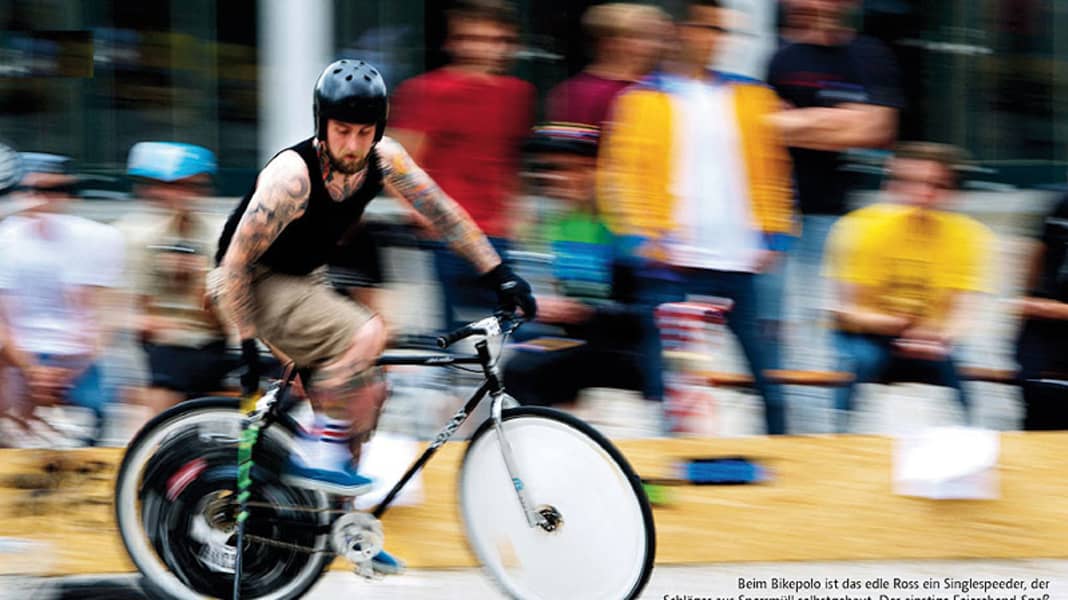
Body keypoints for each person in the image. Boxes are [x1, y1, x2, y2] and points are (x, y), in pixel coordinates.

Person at [212, 59, 536, 574]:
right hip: (253, 283)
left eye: (365, 133)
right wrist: (249, 348)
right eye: (342, 131)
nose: (352, 146)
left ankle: (343, 527)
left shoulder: (384, 160)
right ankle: (318, 451)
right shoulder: (291, 177)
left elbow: (444, 214)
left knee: (369, 391)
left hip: (304, 279)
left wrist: (500, 274)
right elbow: (232, 264)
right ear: (322, 126)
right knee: (368, 330)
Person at [598, 0, 794, 435]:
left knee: (770, 385)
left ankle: (790, 479)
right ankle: (673, 480)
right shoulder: (641, 99)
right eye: (708, 28)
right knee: (674, 387)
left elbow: (773, 167)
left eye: (722, 31)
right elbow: (618, 176)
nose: (716, 40)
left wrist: (777, 233)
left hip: (741, 265)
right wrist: (642, 241)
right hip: (674, 267)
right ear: (681, 30)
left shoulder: (750, 96)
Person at [766, 0, 904, 370]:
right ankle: (778, 410)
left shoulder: (869, 55)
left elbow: (877, 128)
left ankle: (824, 413)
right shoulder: (784, 57)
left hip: (837, 211)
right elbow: (767, 126)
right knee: (771, 320)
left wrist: (801, 124)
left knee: (823, 317)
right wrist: (841, 123)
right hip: (779, 210)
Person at [823, 142, 993, 433]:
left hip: (931, 334)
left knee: (966, 365)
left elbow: (963, 312)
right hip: (869, 331)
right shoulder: (862, 228)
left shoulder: (969, 236)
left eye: (936, 185)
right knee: (861, 360)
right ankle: (839, 436)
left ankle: (970, 444)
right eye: (912, 183)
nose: (924, 194)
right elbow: (848, 313)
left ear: (953, 192)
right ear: (893, 186)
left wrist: (937, 336)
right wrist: (901, 327)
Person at [389, 0, 534, 331]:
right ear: (453, 41)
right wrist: (420, 216)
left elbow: (511, 161)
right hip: (447, 235)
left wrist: (519, 214)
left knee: (511, 330)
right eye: (474, 38)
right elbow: (396, 165)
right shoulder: (426, 90)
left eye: (497, 40)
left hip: (499, 235)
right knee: (449, 338)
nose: (486, 49)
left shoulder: (518, 94)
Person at [503, 123, 644, 407]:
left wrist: (583, 309)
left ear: (594, 172)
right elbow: (528, 291)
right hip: (565, 336)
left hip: (620, 340)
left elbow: (635, 304)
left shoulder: (619, 224)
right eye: (551, 169)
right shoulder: (547, 222)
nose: (557, 178)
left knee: (525, 367)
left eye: (570, 169)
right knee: (522, 358)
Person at [0, 153, 125, 445]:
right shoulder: (4, 239)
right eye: (33, 189)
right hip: (17, 359)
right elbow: (3, 320)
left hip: (77, 360)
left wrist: (67, 370)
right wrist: (32, 371)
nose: (42, 199)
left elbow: (104, 315)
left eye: (56, 190)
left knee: (87, 449)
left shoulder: (98, 237)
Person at [117, 142, 234, 415]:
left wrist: (201, 278)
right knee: (170, 367)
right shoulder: (135, 236)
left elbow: (227, 314)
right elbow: (130, 313)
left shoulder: (217, 234)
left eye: (190, 187)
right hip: (166, 349)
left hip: (213, 342)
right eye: (171, 187)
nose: (180, 196)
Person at [546, 3, 668, 129]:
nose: (655, 46)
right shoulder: (579, 93)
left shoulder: (657, 88)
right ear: (611, 43)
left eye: (658, 38)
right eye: (642, 37)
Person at [1014, 192, 1068, 430]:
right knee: (1037, 394)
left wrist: (1054, 310)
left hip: (1053, 313)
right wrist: (1029, 298)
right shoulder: (1062, 203)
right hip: (1043, 323)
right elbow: (1039, 250)